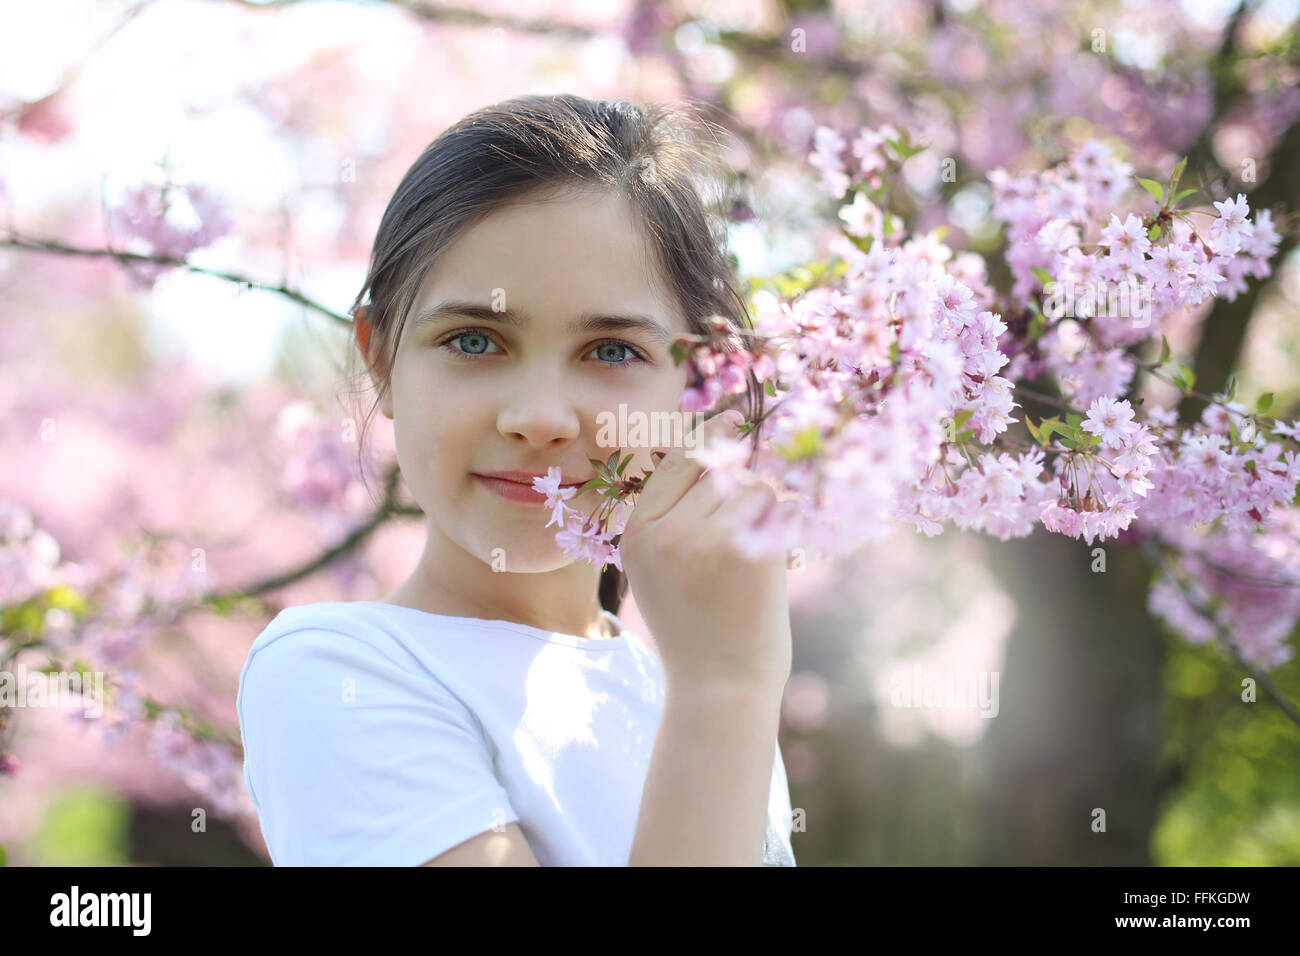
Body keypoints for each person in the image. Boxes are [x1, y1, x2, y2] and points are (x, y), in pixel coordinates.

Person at [237, 94, 796, 866]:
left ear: (696, 382)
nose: (539, 419)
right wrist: (723, 693)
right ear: (381, 360)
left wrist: (722, 690)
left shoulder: (700, 681)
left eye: (610, 352)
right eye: (474, 340)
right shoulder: (337, 674)